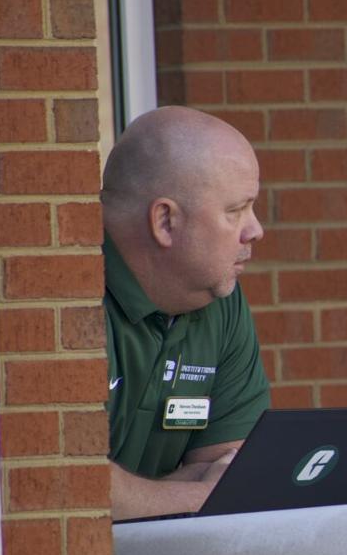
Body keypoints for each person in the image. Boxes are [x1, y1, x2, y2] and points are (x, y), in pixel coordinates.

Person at [100, 106, 270, 521]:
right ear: (165, 221)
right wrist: (199, 496)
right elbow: (67, 488)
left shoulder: (219, 295)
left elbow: (233, 470)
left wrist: (136, 497)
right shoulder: (60, 299)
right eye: (236, 210)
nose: (256, 230)